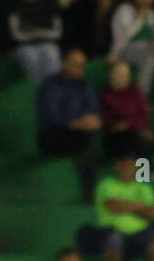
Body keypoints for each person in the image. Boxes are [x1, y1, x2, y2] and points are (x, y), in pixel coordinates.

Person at [77, 153, 154, 261]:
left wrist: (126, 205)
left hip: (140, 232)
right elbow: (113, 206)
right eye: (123, 164)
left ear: (135, 167)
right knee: (113, 240)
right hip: (112, 231)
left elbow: (152, 213)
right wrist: (138, 206)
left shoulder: (144, 188)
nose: (126, 167)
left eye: (130, 164)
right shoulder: (106, 184)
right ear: (116, 166)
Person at [36, 48, 102, 203]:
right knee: (83, 143)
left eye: (81, 65)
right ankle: (89, 192)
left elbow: (93, 113)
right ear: (64, 63)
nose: (79, 68)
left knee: (87, 139)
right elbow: (52, 116)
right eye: (75, 64)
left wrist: (90, 122)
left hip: (79, 135)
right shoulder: (50, 85)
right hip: (52, 135)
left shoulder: (85, 86)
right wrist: (77, 123)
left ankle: (91, 192)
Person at [110, 0, 154, 106]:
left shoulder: (152, 13)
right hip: (126, 48)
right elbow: (126, 36)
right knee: (150, 59)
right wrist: (140, 18)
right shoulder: (124, 10)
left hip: (149, 48)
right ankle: (140, 100)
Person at [9, 0, 64, 84]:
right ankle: (38, 91)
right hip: (22, 46)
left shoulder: (51, 3)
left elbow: (57, 32)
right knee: (30, 56)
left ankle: (54, 90)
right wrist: (38, 34)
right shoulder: (13, 5)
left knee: (51, 53)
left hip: (47, 44)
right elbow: (15, 35)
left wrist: (37, 34)